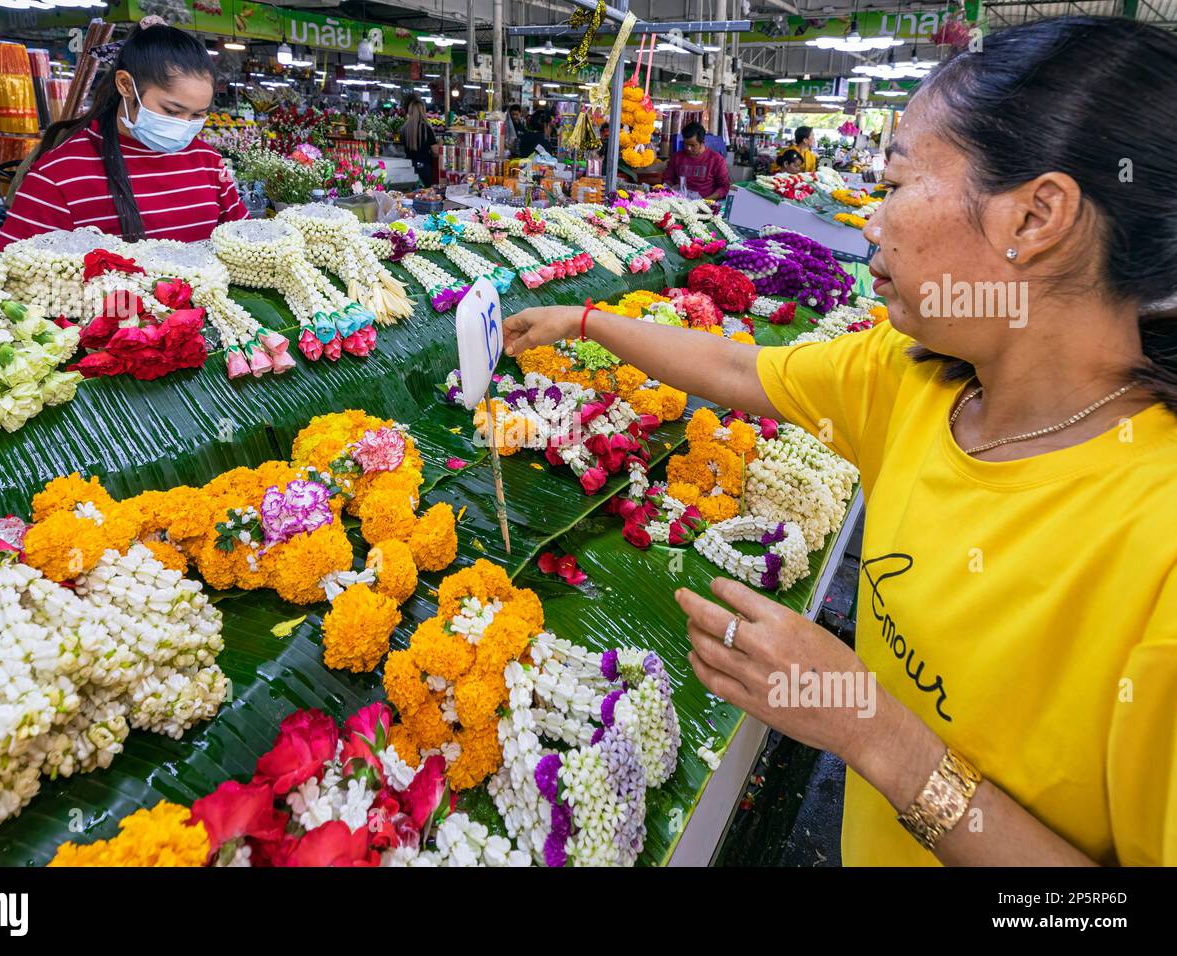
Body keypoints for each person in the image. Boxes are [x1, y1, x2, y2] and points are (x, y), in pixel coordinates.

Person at [501, 16, 1177, 866]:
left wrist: (868, 728)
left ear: (1036, 216)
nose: (868, 223)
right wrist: (585, 317)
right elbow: (743, 373)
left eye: (894, 185)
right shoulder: (916, 382)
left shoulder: (1157, 547)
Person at [0, 22, 245, 250]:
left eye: (197, 115)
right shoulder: (59, 175)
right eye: (172, 110)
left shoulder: (207, 160)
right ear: (125, 85)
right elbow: (17, 273)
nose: (184, 126)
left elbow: (241, 238)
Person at [662, 121, 731, 201]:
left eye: (692, 145)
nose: (688, 148)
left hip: (705, 203)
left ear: (702, 142)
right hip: (680, 202)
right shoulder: (676, 158)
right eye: (685, 144)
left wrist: (705, 201)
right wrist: (673, 193)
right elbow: (667, 179)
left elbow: (724, 187)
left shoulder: (716, 160)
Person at [401, 93, 439, 188]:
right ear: (423, 111)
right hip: (424, 168)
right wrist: (440, 143)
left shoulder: (404, 129)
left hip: (409, 167)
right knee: (424, 195)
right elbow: (436, 152)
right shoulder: (427, 129)